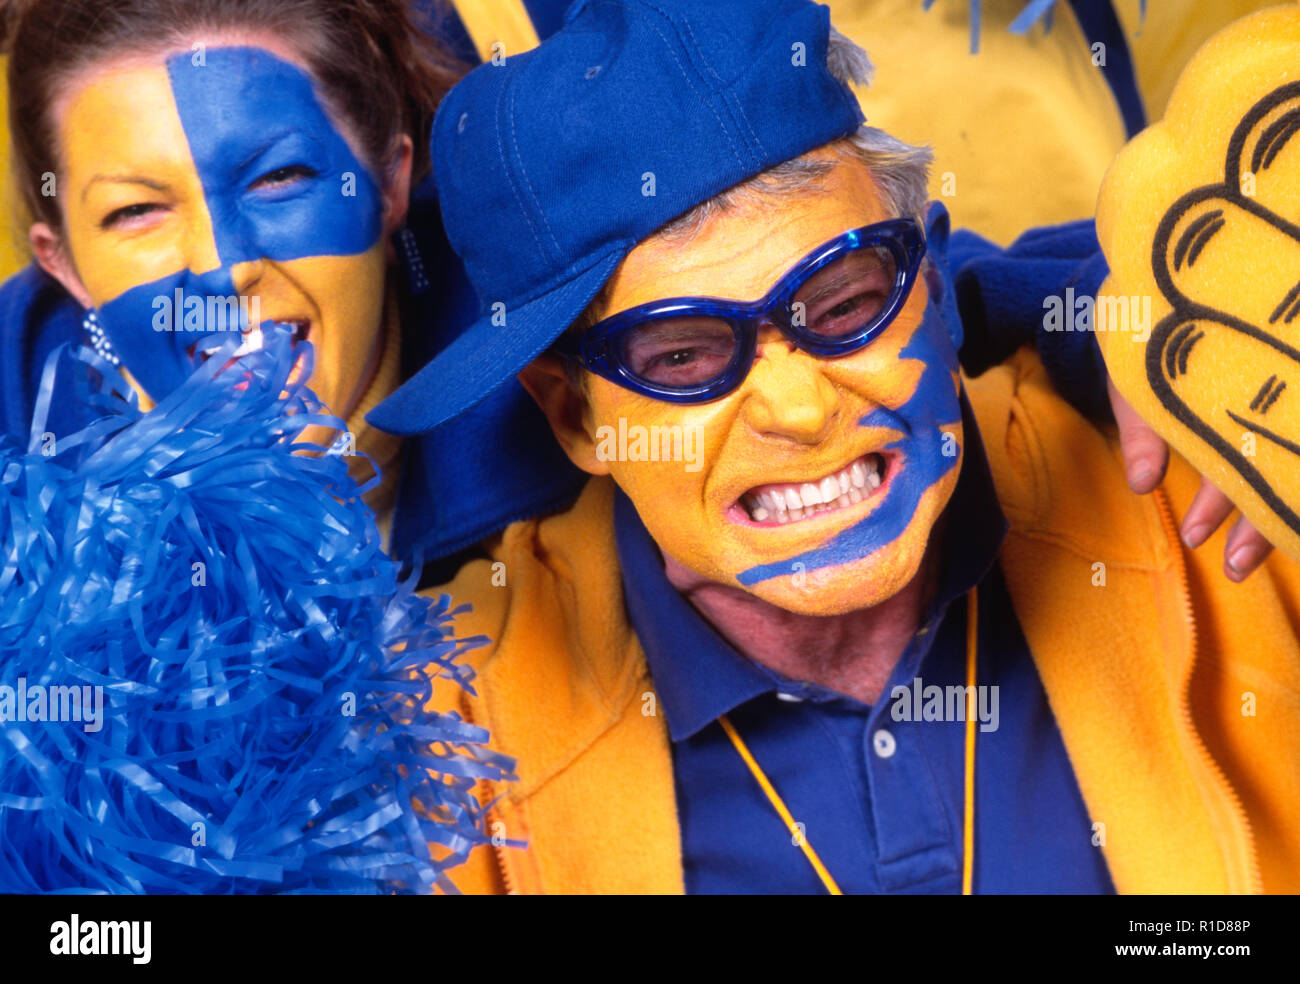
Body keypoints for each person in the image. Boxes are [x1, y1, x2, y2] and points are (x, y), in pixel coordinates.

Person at [373, 0, 1300, 893]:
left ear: (934, 285)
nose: (799, 408)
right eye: (685, 356)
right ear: (575, 418)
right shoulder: (452, 735)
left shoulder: (1220, 497)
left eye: (847, 302)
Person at [0, 0, 467, 546]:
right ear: (66, 268)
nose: (223, 271)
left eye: (277, 177)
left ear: (388, 187)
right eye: (136, 212)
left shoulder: (553, 390)